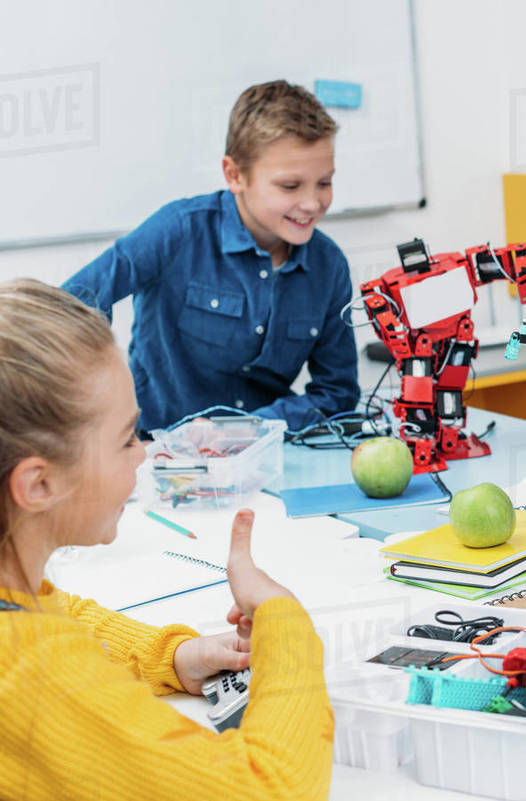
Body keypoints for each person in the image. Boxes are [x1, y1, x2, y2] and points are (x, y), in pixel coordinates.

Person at [0, 279, 333, 799]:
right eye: (128, 438)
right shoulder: (34, 678)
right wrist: (283, 620)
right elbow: (269, 789)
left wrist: (173, 657)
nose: (145, 454)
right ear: (38, 485)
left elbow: (53, 614)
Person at [63, 79, 358, 432]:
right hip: (155, 452)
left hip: (261, 458)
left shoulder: (329, 266)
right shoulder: (177, 230)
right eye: (290, 186)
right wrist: (105, 411)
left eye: (324, 183)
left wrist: (248, 427)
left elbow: (337, 393)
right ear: (235, 175)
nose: (313, 203)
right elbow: (67, 308)